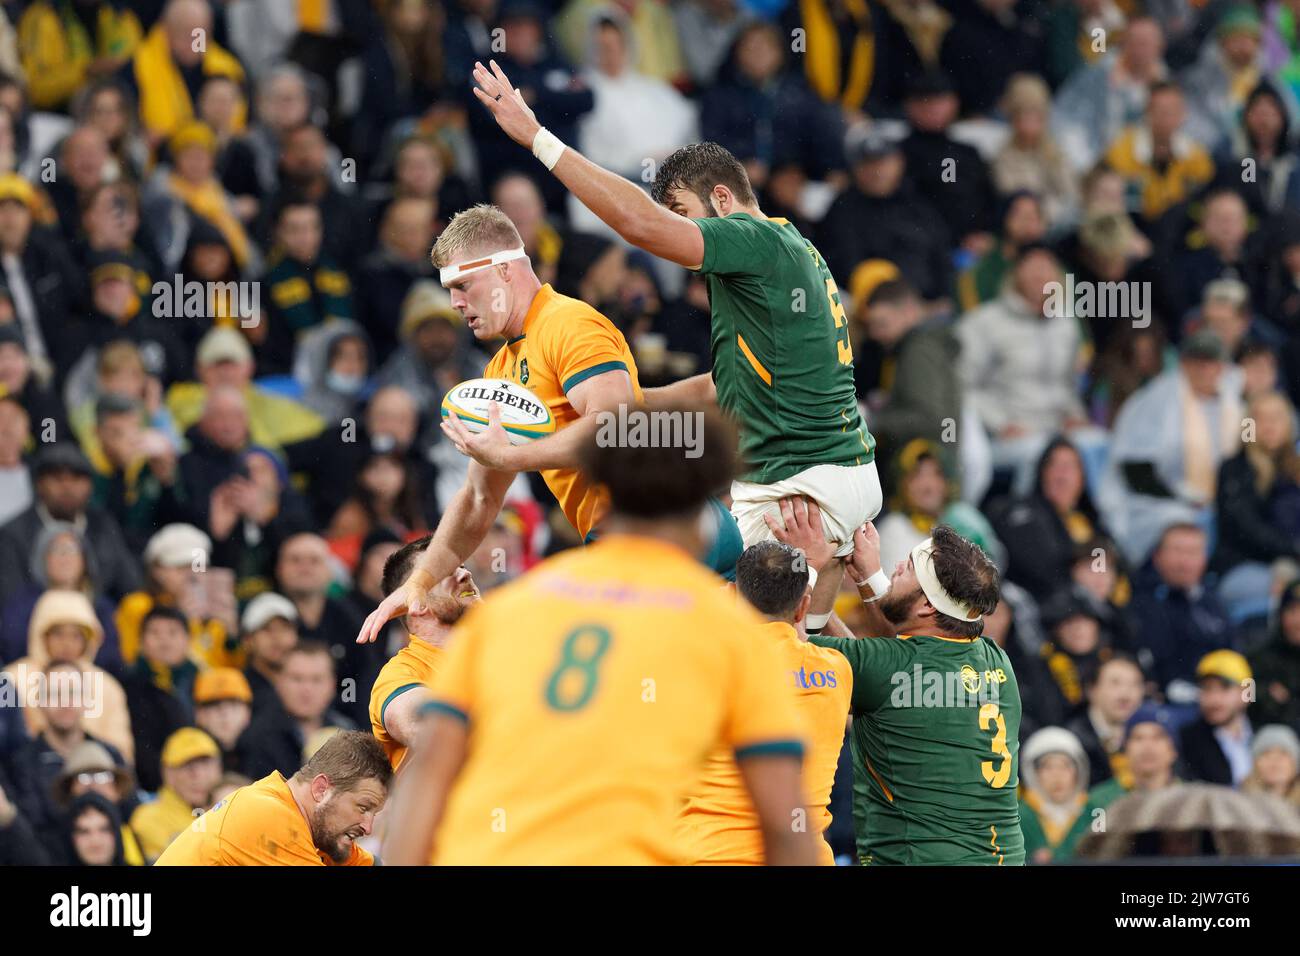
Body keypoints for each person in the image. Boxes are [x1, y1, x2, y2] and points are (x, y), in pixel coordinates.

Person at [470, 61, 881, 565]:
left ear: (723, 199)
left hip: (794, 480)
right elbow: (720, 385)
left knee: (684, 589)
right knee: (804, 638)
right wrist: (630, 405)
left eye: (682, 214)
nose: (679, 234)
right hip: (841, 471)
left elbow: (640, 225)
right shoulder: (785, 252)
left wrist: (537, 138)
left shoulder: (754, 239)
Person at [383, 405, 815, 865]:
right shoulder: (730, 633)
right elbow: (784, 823)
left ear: (603, 497)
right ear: (707, 520)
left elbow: (426, 787)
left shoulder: (510, 609)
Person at [356, 201, 672, 644]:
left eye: (463, 284)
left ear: (505, 270)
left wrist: (511, 454)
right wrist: (420, 582)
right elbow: (479, 499)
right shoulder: (499, 372)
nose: (454, 303)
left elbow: (614, 427)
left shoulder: (570, 324)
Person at [793, 515, 1024, 865]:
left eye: (910, 566)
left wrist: (808, 567)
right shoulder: (996, 660)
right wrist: (870, 578)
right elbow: (907, 647)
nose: (897, 565)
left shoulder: (888, 668)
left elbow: (788, 638)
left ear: (928, 606)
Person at [678, 535, 851, 865]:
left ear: (731, 595)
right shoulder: (836, 671)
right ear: (803, 607)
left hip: (708, 855)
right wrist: (807, 574)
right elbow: (795, 634)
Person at [154, 729, 390, 865]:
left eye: (374, 814)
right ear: (320, 789)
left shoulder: (313, 827)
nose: (368, 828)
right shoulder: (270, 817)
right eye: (363, 807)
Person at [368, 536, 481, 770]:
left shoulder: (503, 650)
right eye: (445, 572)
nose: (465, 575)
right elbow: (432, 731)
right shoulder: (400, 674)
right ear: (415, 602)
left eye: (463, 566)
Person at [1127, 522, 1236, 705]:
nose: (1184, 562)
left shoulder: (1212, 602)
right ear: (1157, 556)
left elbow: (1232, 652)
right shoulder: (1139, 601)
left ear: (1204, 559)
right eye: (1177, 551)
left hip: (1214, 700)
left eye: (1193, 552)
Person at [236, 642, 355, 780]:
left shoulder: (347, 731)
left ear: (332, 685)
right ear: (279, 682)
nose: (307, 689)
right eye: (297, 679)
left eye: (316, 680)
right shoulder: (256, 736)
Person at [129, 727, 222, 862]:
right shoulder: (148, 818)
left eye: (205, 764)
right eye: (188, 767)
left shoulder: (233, 804)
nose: (198, 776)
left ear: (219, 767)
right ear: (168, 773)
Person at [1064, 654, 1146, 789]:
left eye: (1134, 684)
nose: (1126, 695)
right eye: (1115, 683)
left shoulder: (1155, 737)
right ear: (1092, 690)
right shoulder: (1072, 741)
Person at [1085, 703, 1182, 813]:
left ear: (1173, 751)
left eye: (1157, 737)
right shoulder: (1101, 801)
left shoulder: (1190, 800)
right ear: (1126, 749)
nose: (1147, 746)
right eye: (1138, 738)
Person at [1179, 650, 1255, 787]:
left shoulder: (1266, 730)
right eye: (1207, 689)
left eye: (1224, 688)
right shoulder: (1189, 739)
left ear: (1247, 692)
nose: (1214, 699)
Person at [1018, 726, 1093, 864]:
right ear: (1034, 774)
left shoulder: (1093, 811)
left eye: (1065, 766)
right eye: (1047, 767)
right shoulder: (1018, 816)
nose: (1057, 776)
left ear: (1078, 771)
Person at [1249, 578, 1300, 728]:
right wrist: (1265, 694)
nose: (1297, 620)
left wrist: (1288, 702)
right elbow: (1244, 694)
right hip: (1270, 736)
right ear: (1280, 615)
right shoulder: (1257, 655)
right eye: (1291, 611)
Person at [192, 667, 252, 774]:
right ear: (199, 715)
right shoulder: (189, 758)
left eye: (233, 704)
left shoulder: (266, 753)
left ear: (247, 712)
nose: (225, 714)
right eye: (214, 705)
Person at [1241, 724, 1300, 806]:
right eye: (1266, 754)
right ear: (1255, 763)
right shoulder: (1239, 803)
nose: (1274, 762)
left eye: (1283, 753)